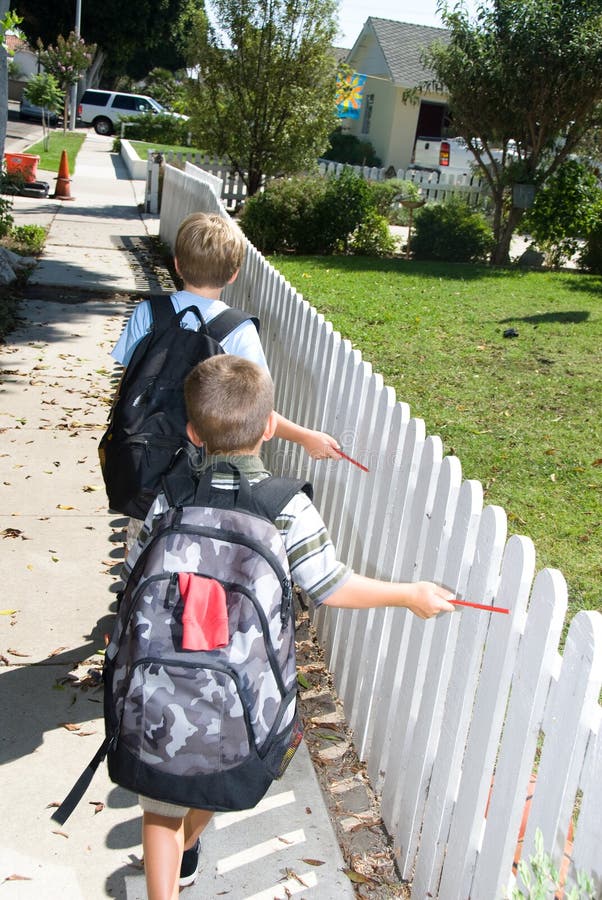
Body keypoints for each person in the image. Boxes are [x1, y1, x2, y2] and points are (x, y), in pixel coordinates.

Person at [126, 354, 456, 900]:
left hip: (162, 680)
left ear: (192, 432)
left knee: (160, 801)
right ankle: (188, 848)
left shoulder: (170, 495)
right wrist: (407, 595)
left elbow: (137, 572)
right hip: (242, 689)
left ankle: (169, 879)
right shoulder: (286, 508)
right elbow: (331, 585)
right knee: (218, 773)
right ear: (270, 426)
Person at [111, 211, 341, 546]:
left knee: (144, 553)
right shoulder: (237, 330)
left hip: (142, 463)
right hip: (203, 475)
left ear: (177, 264)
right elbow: (256, 410)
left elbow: (125, 386)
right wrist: (306, 437)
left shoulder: (147, 313)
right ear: (233, 274)